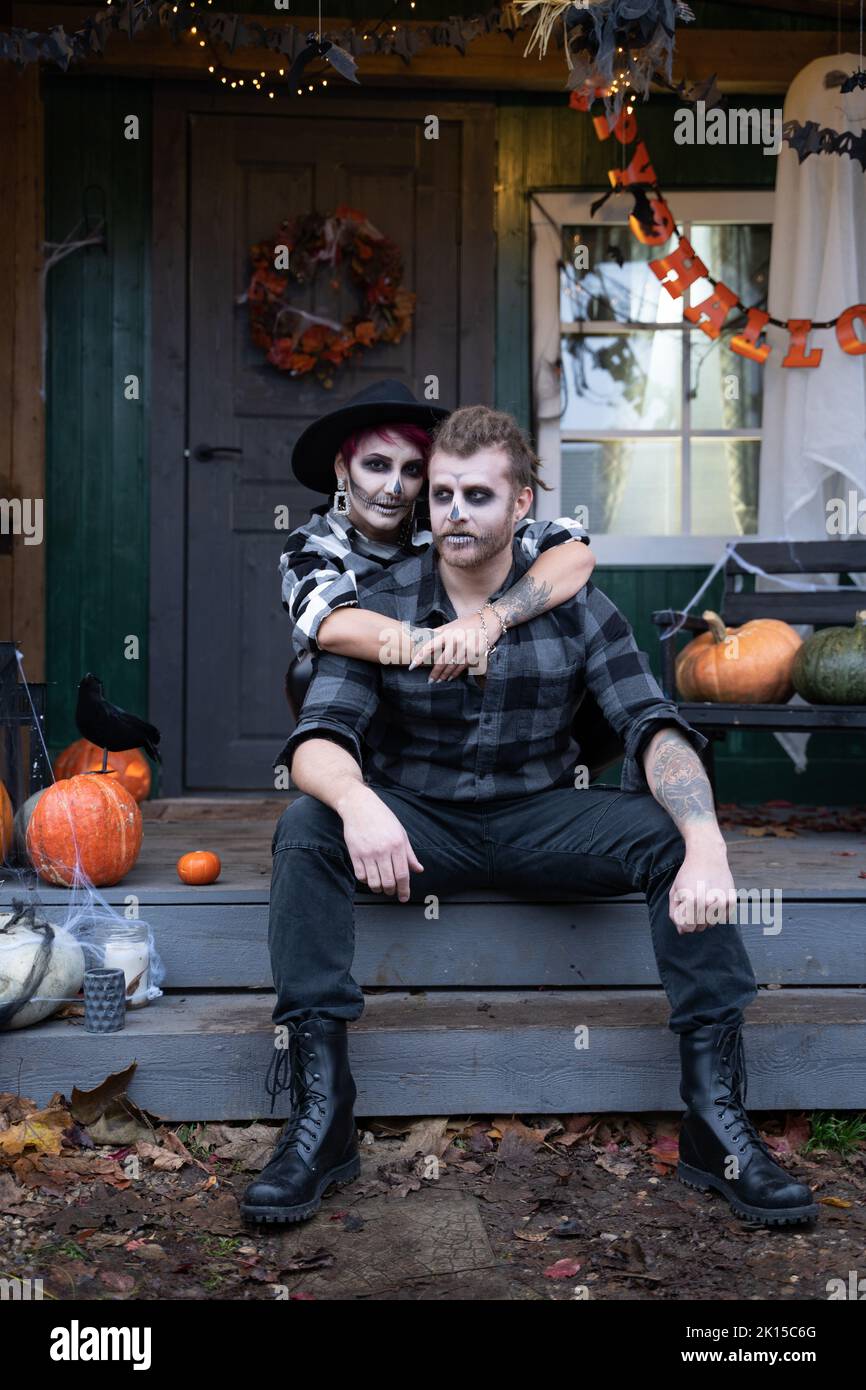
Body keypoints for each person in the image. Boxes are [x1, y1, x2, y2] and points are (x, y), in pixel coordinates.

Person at [241, 405, 817, 1232]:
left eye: (477, 495)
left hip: (543, 818)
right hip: (418, 826)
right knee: (307, 824)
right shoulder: (382, 603)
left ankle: (715, 1122)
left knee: (665, 833)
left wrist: (706, 840)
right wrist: (359, 801)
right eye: (441, 495)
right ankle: (322, 1118)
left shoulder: (573, 601)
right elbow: (317, 737)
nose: (453, 513)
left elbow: (651, 724)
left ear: (523, 508)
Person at [279, 378, 598, 691]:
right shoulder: (312, 546)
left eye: (412, 470)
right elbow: (333, 627)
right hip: (359, 703)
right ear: (341, 467)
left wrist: (487, 622)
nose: (395, 488)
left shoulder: (440, 526)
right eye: (377, 465)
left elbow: (571, 549)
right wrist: (460, 645)